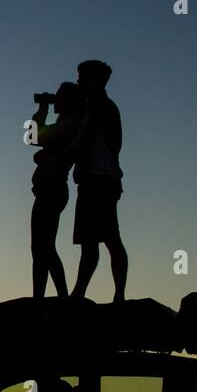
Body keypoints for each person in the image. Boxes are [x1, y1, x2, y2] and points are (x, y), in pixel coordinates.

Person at [71, 59, 127, 301]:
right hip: (93, 181)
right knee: (89, 242)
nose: (78, 82)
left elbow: (112, 144)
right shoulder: (90, 108)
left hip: (102, 181)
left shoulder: (104, 108)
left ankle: (119, 294)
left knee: (110, 239)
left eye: (83, 78)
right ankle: (80, 291)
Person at [28, 82, 87, 298]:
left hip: (51, 189)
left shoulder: (70, 124)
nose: (56, 100)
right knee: (41, 248)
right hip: (48, 188)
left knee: (43, 247)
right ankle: (42, 295)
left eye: (60, 97)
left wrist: (42, 109)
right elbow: (35, 139)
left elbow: (33, 137)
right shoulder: (67, 124)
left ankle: (55, 295)